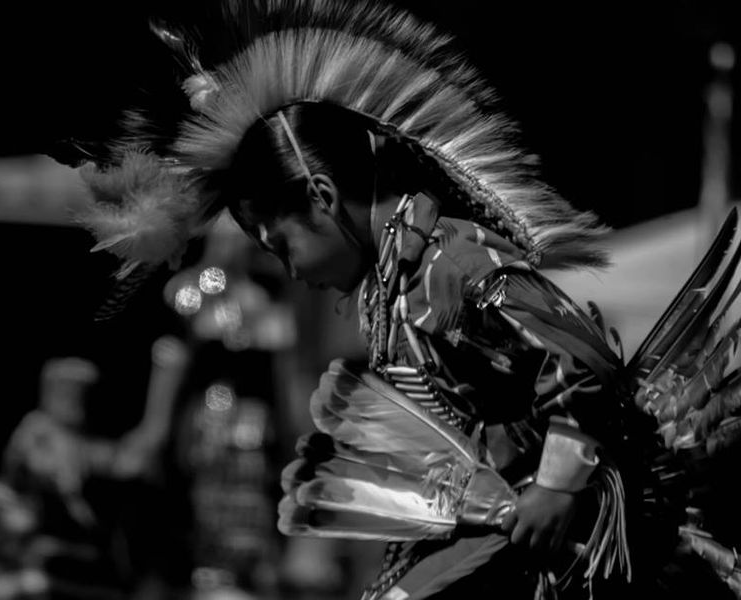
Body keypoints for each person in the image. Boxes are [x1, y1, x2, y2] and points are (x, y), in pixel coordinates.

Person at [50, 1, 741, 598]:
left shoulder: (451, 264)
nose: (289, 271)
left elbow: (579, 358)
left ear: (322, 199)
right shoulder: (396, 285)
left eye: (280, 244)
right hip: (506, 534)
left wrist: (557, 484)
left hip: (580, 543)